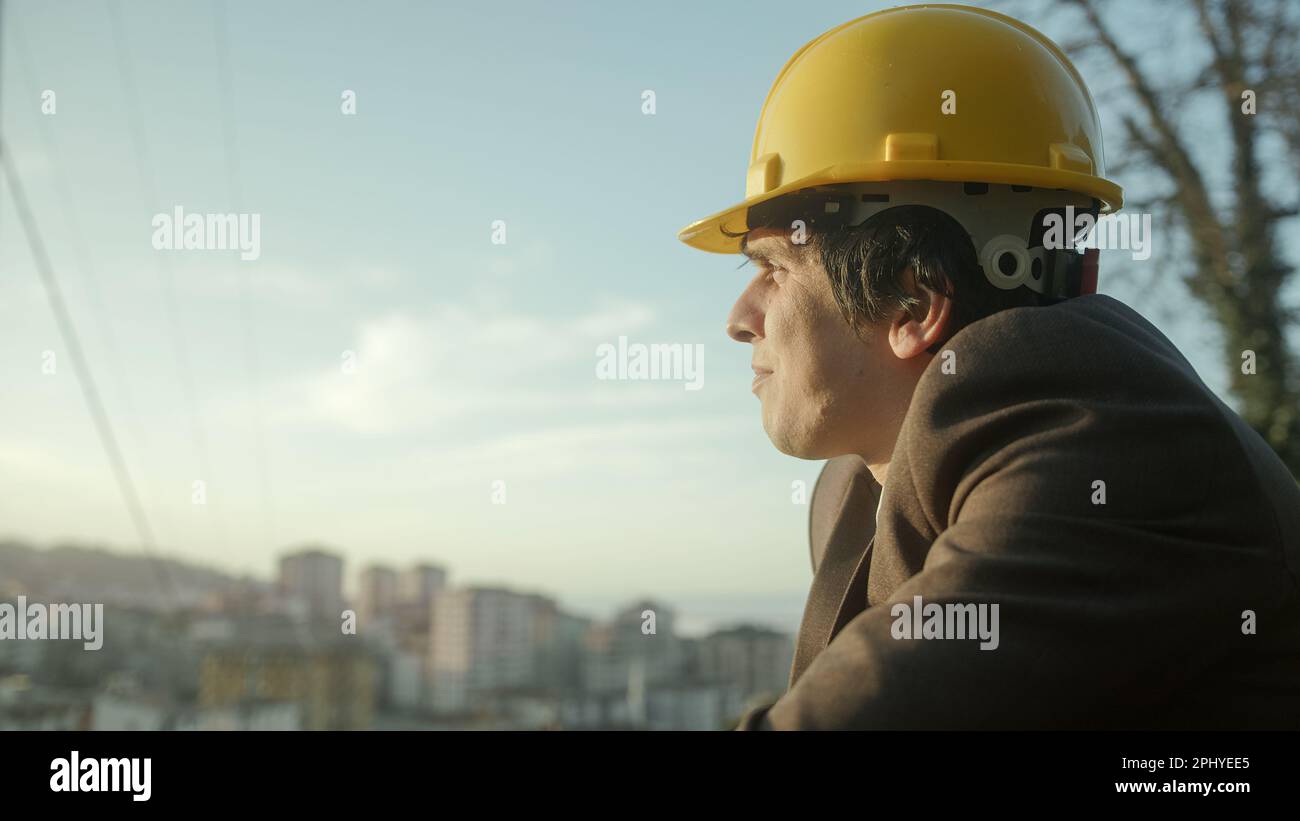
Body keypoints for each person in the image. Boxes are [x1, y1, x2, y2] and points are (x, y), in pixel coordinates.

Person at [676, 4, 1300, 729]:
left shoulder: (1097, 429)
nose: (737, 318)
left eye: (773, 268)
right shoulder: (858, 489)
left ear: (914, 299)